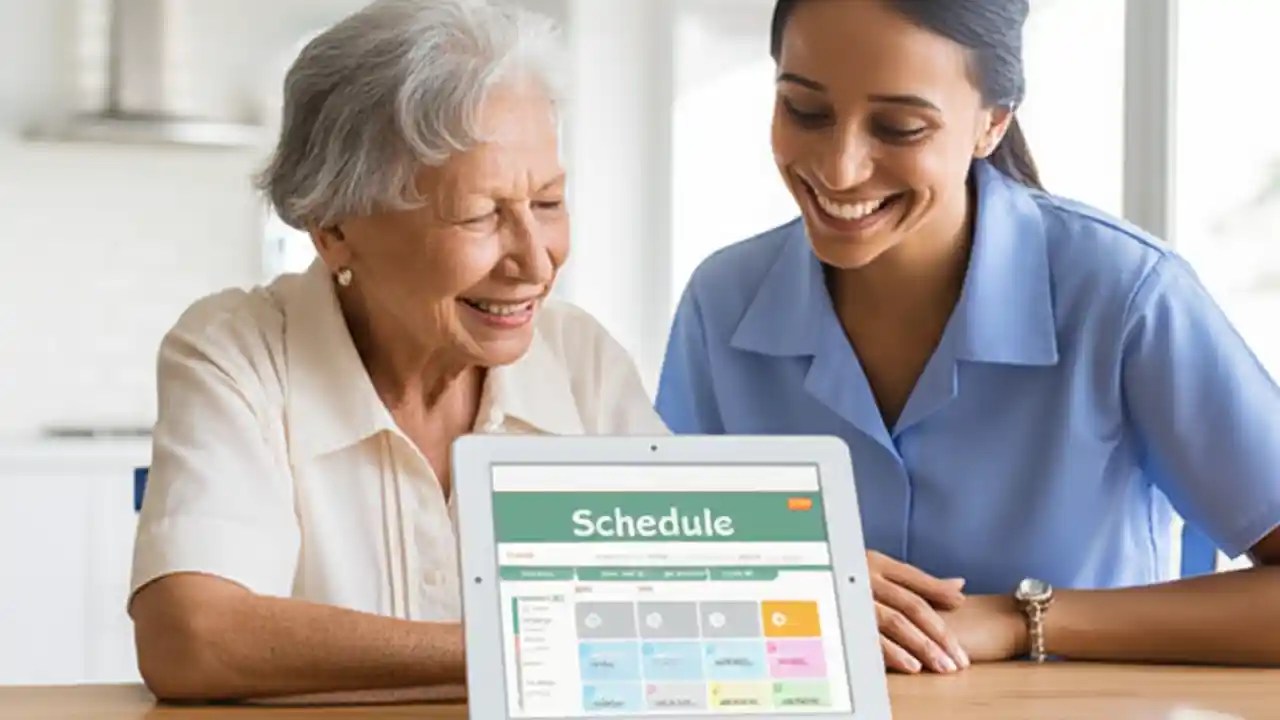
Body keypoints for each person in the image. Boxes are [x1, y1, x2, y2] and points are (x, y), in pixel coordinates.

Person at [657, 0, 1280, 675]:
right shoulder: (722, 304)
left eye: (899, 127)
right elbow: (648, 569)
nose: (839, 169)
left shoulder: (1125, 297)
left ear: (993, 121)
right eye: (806, 111)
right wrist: (790, 575)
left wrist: (1018, 619)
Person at [128, 0, 665, 702]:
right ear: (332, 230)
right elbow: (190, 637)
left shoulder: (581, 361)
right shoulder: (239, 352)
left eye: (549, 202)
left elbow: (673, 617)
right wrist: (512, 647)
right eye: (479, 215)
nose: (535, 262)